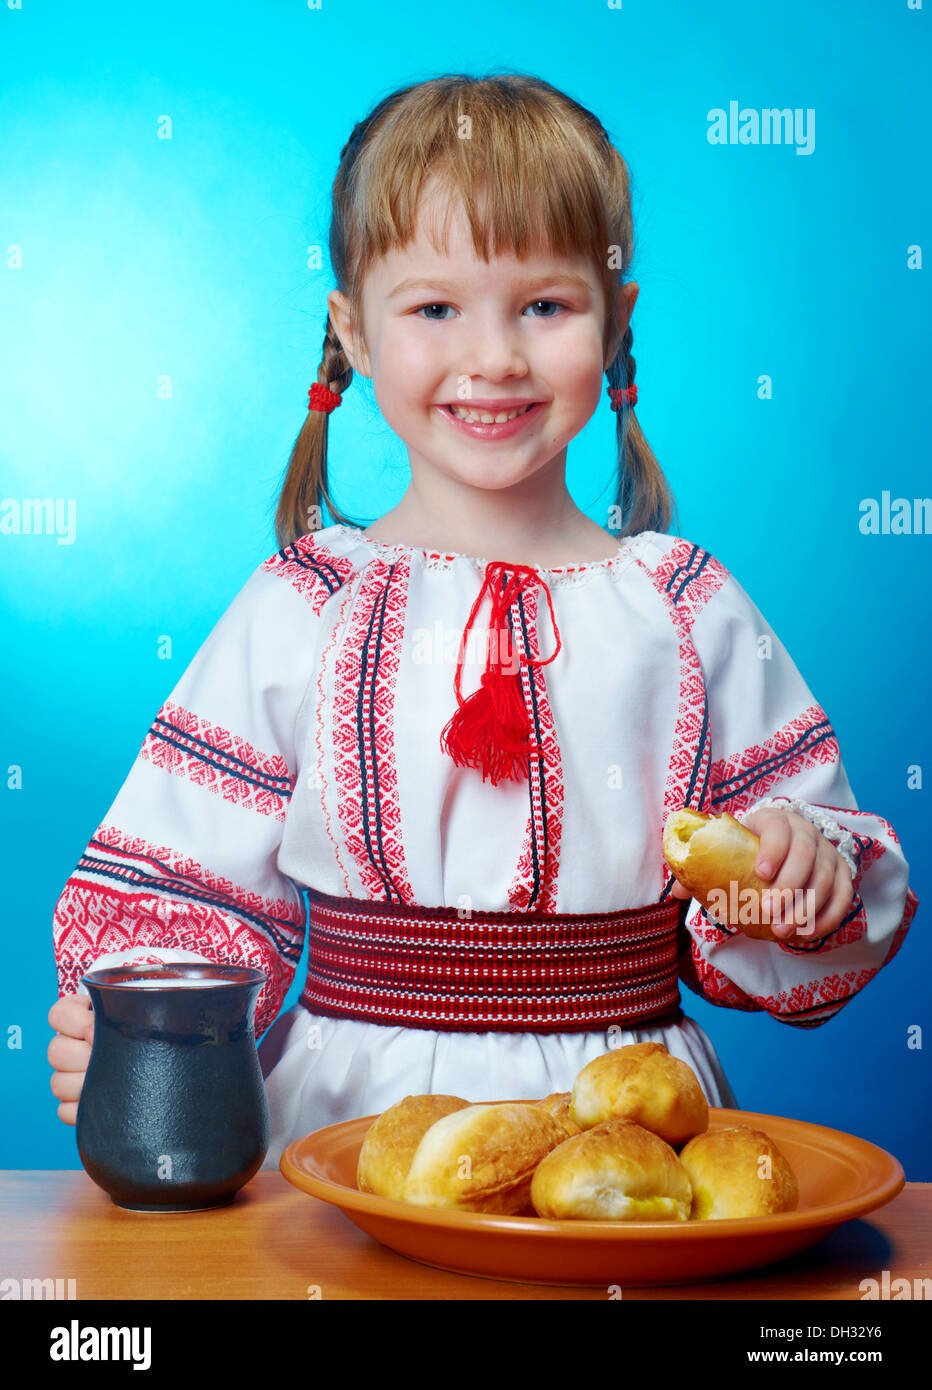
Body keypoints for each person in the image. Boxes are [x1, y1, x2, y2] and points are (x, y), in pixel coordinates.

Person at [48, 73, 917, 1169]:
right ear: (353, 333)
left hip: (625, 1119)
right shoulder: (302, 605)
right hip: (347, 1126)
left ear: (614, 324)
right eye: (433, 307)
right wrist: (133, 1026)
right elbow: (183, 882)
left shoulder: (688, 607)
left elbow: (796, 876)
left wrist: (800, 871)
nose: (494, 357)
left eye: (543, 306)